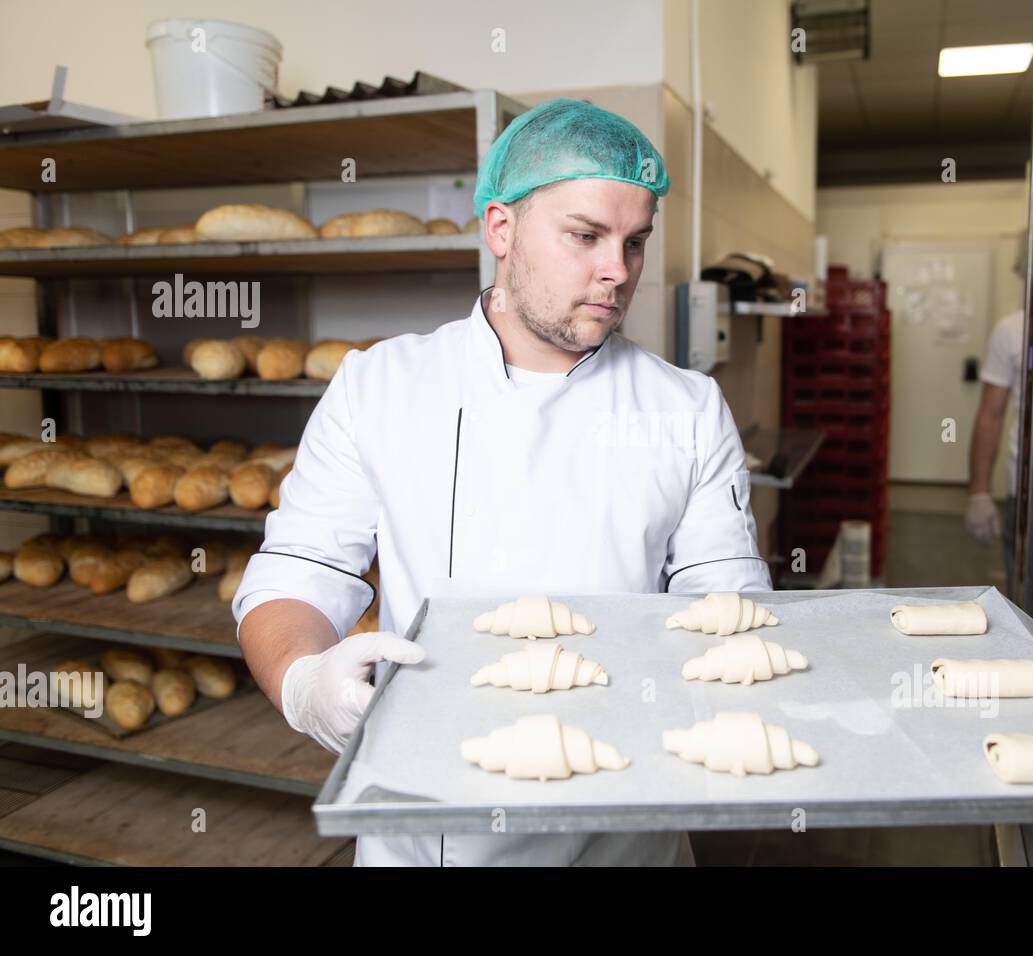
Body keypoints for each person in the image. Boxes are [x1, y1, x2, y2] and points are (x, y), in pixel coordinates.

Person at [231, 98, 771, 866]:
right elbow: (297, 575)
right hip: (426, 834)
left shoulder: (684, 408)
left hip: (625, 834)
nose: (618, 271)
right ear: (500, 230)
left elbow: (726, 611)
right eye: (585, 236)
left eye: (635, 242)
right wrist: (304, 682)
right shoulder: (380, 386)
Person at [965, 307, 1024, 589]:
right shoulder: (1012, 329)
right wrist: (979, 492)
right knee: (1024, 596)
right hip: (1026, 494)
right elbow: (991, 414)